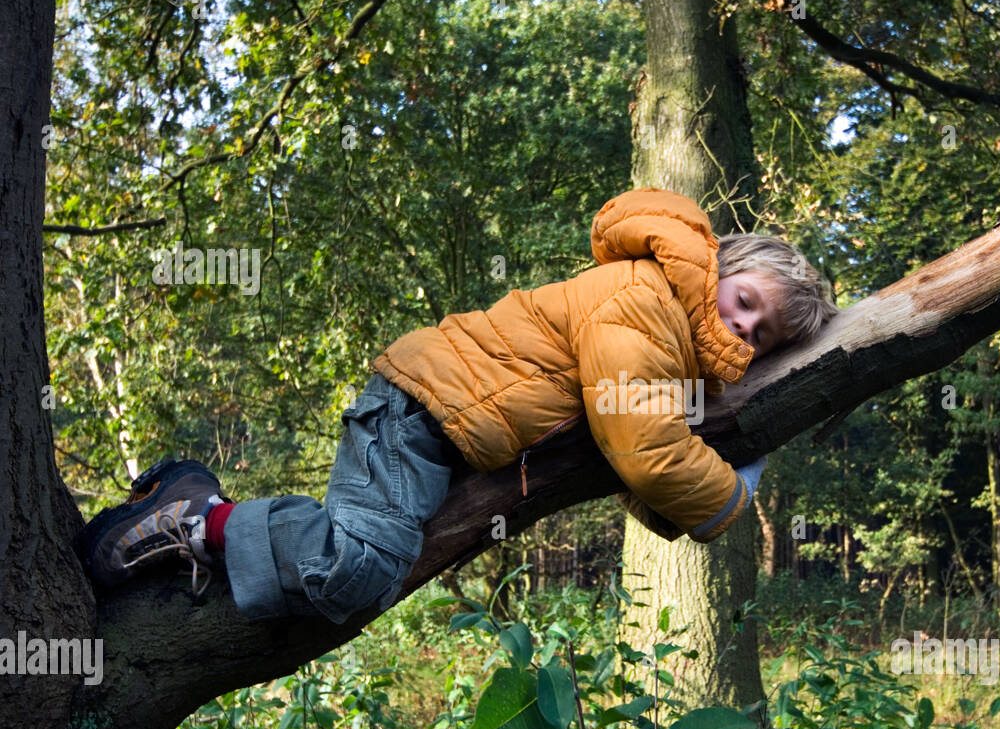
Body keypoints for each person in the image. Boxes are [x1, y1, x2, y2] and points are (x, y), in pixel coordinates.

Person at [74, 188, 839, 624]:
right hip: (418, 412)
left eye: (759, 334)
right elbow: (642, 447)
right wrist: (732, 499)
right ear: (721, 266)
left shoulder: (670, 337)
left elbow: (633, 467)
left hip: (440, 432)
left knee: (358, 576)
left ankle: (213, 535)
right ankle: (194, 515)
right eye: (744, 303)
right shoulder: (645, 301)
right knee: (358, 568)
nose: (742, 328)